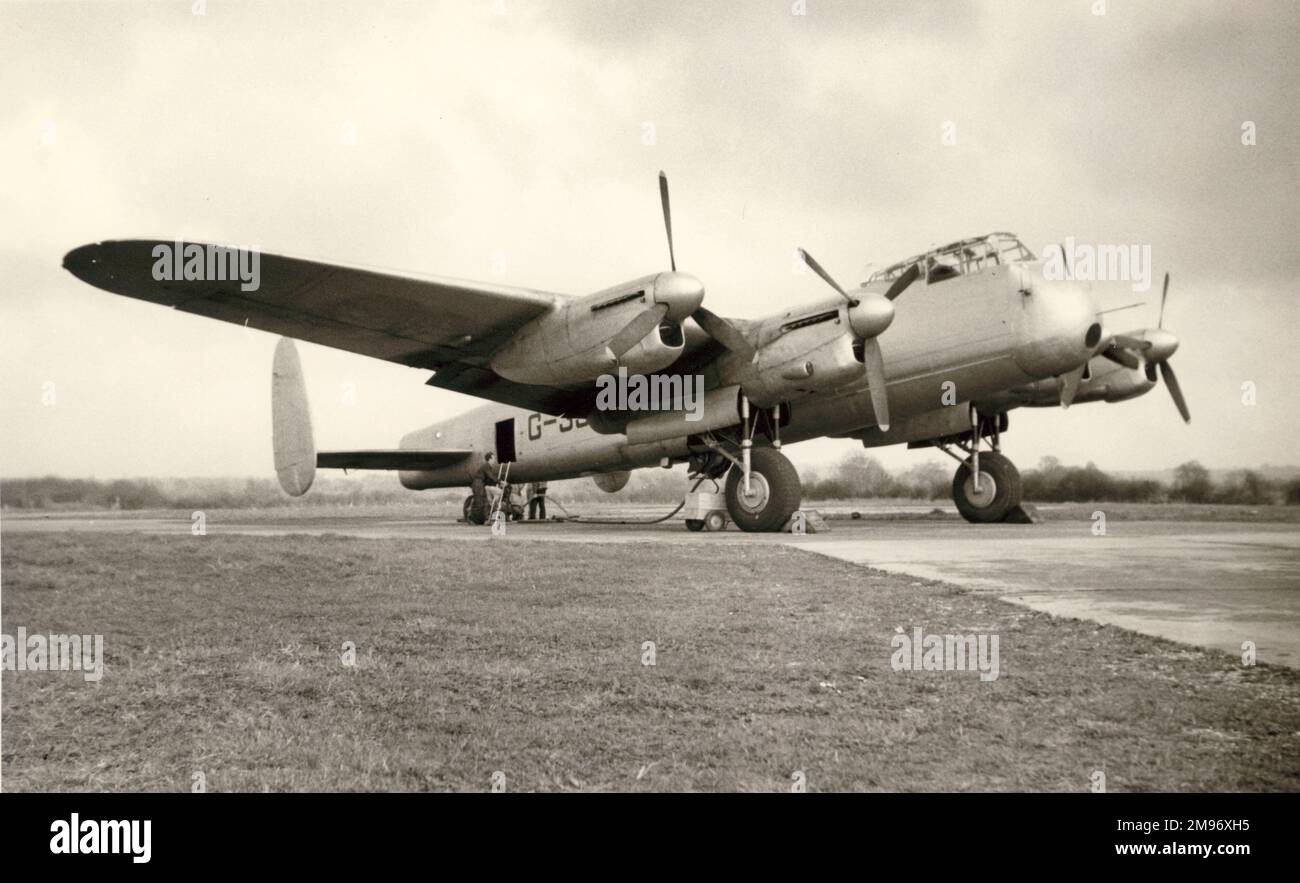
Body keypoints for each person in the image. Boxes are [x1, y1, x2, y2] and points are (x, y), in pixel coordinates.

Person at [469, 452, 497, 525]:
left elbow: (489, 478)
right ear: (490, 459)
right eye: (493, 458)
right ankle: (472, 520)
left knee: (484, 502)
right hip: (478, 485)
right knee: (479, 502)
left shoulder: (487, 466)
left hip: (480, 484)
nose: (494, 460)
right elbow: (490, 476)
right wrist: (499, 481)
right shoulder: (486, 466)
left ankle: (482, 520)